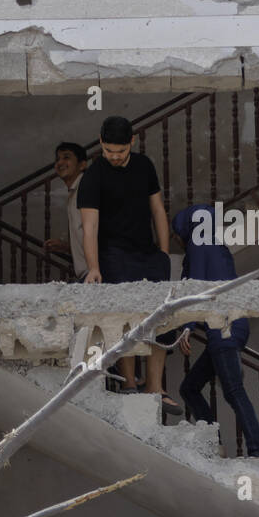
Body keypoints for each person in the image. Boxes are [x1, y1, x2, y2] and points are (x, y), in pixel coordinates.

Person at [77, 115, 181, 414]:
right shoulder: (93, 176)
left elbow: (157, 210)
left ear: (131, 143)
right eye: (109, 150)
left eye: (120, 151)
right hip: (113, 253)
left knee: (163, 318)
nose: (114, 156)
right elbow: (89, 227)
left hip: (148, 253)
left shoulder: (144, 166)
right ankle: (130, 383)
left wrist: (163, 252)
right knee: (127, 317)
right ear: (101, 144)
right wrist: (94, 267)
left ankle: (156, 387)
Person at [171, 204, 259, 458]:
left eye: (177, 233)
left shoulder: (199, 246)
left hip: (223, 327)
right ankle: (215, 443)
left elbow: (197, 287)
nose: (176, 239)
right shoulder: (217, 246)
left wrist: (188, 327)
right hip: (230, 326)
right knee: (189, 387)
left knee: (234, 390)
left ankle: (258, 451)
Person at [43, 142, 87, 279]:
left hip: (96, 272)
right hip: (88, 273)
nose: (60, 162)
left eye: (66, 157)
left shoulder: (86, 188)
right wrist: (67, 247)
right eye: (58, 159)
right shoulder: (74, 192)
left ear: (82, 165)